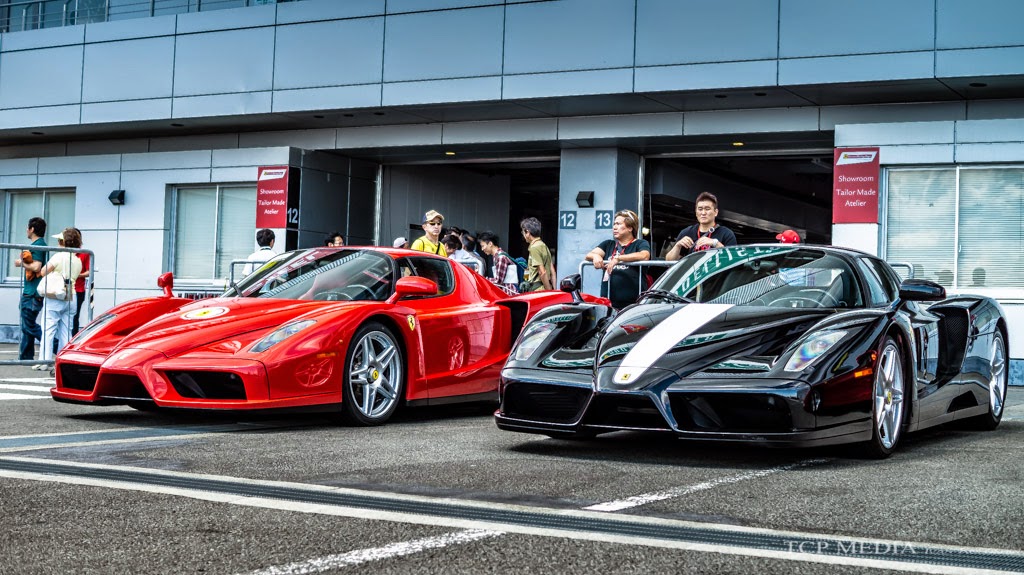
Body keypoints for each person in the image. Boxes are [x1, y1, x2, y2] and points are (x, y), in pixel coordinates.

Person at [585, 210, 651, 309]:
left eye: (619, 224)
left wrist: (618, 258)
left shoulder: (640, 243)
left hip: (633, 304)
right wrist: (596, 256)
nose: (615, 227)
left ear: (630, 228)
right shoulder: (608, 244)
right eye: (614, 224)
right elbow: (588, 255)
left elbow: (644, 255)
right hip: (608, 303)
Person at [39, 228, 83, 366]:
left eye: (59, 241)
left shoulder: (58, 256)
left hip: (55, 296)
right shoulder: (78, 260)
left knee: (48, 329)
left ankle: (44, 361)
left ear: (63, 242)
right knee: (66, 330)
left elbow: (43, 271)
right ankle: (63, 361)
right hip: (71, 295)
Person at [665, 192, 738, 260]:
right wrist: (678, 245)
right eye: (700, 209)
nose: (703, 213)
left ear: (716, 212)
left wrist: (715, 243)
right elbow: (669, 261)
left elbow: (733, 259)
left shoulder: (726, 234)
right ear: (696, 212)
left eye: (707, 209)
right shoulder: (686, 232)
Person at [13, 217, 46, 365]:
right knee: (27, 324)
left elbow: (37, 267)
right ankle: (25, 358)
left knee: (29, 325)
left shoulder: (38, 245)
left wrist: (21, 264)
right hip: (31, 291)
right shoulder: (37, 244)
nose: (26, 230)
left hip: (32, 292)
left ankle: (57, 346)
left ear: (32, 229)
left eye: (28, 227)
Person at [520, 217, 555, 291]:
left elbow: (542, 272)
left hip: (537, 289)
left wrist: (548, 289)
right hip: (545, 287)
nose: (523, 235)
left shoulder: (534, 247)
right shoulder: (544, 246)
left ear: (527, 232)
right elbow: (552, 271)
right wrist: (553, 290)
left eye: (523, 232)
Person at [70, 228, 91, 336]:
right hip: (66, 288)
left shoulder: (85, 254)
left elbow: (89, 271)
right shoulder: (66, 253)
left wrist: (78, 275)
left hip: (78, 290)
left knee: (74, 317)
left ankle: (73, 339)